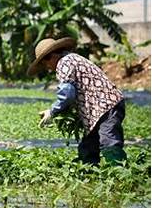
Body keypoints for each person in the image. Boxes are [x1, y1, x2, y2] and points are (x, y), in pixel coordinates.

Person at [28, 37, 126, 165]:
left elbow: (67, 94)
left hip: (106, 106)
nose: (47, 67)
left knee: (109, 142)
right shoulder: (71, 59)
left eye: (45, 63)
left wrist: (53, 111)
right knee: (88, 146)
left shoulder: (64, 63)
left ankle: (120, 176)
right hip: (97, 109)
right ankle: (89, 173)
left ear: (50, 57)